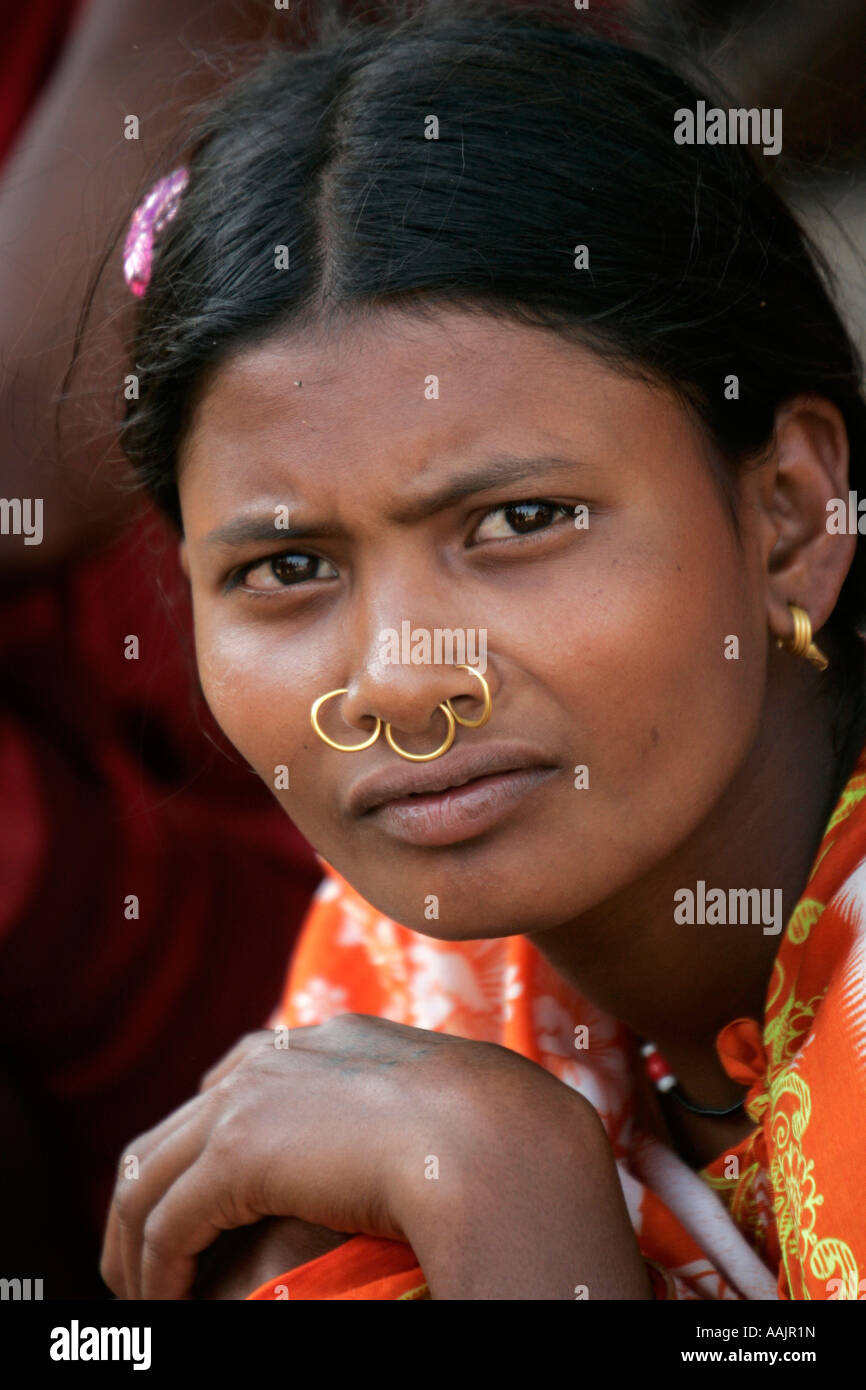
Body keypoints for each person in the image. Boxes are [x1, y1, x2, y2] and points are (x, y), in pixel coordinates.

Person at [98, 0, 866, 1299]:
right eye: (285, 568)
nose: (402, 678)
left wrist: (509, 1197)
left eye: (520, 520)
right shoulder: (417, 976)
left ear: (787, 515)